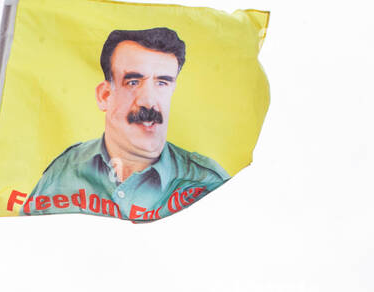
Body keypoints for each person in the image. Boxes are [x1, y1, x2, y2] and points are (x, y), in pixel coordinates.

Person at [22, 27, 228, 222]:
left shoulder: (207, 183)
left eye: (162, 83)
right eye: (133, 82)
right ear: (104, 95)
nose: (148, 101)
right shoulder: (64, 172)